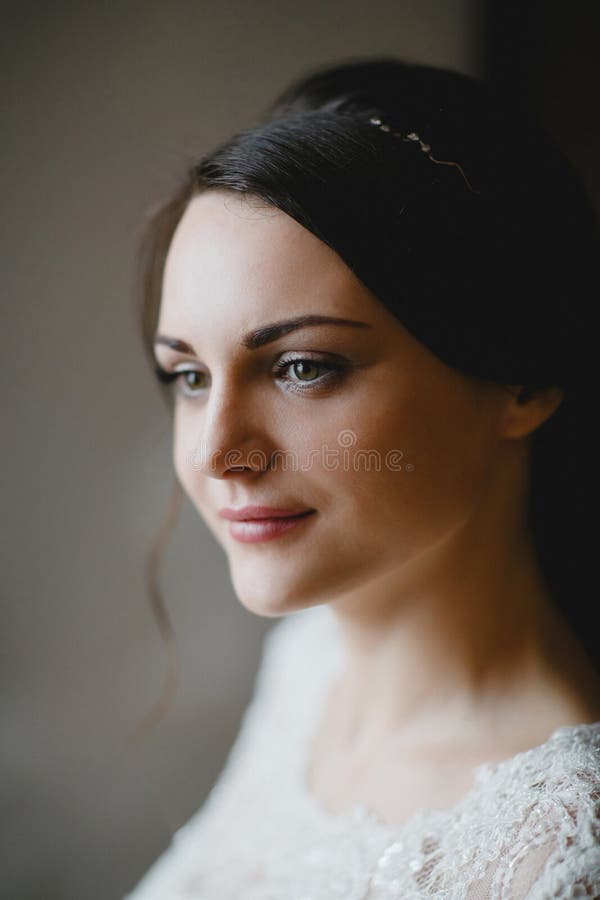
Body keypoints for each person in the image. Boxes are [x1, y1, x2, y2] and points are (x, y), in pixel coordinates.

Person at [125, 58, 600, 898]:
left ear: (519, 378)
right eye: (190, 376)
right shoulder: (310, 666)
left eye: (303, 367)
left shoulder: (556, 853)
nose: (216, 452)